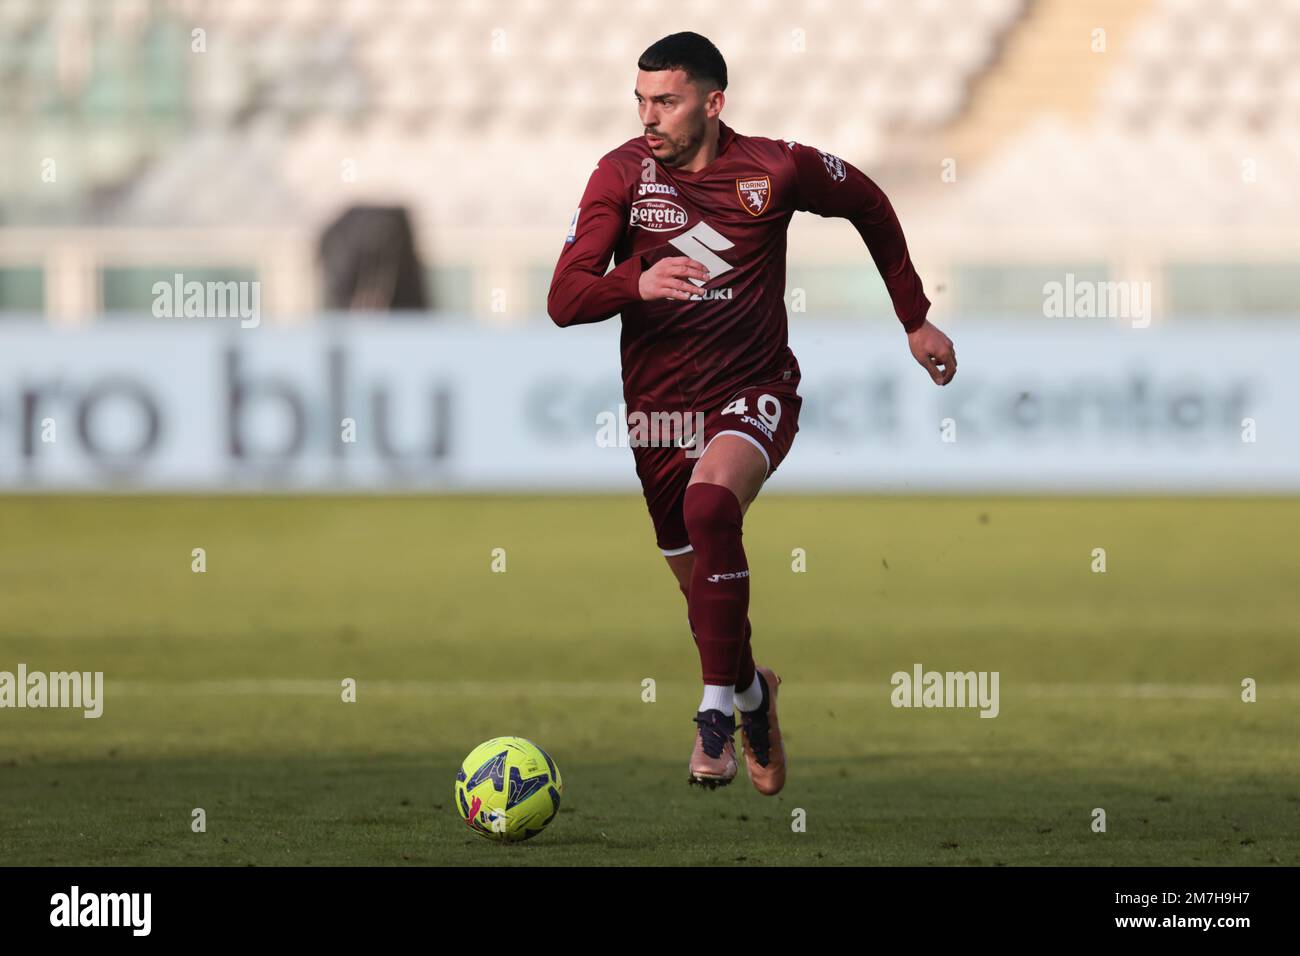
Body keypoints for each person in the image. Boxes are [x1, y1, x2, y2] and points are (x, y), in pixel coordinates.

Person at [548, 32, 957, 794]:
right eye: (639, 100)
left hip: (755, 387)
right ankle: (750, 692)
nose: (649, 117)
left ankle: (713, 719)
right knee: (702, 594)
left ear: (713, 102)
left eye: (665, 101)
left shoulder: (774, 168)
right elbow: (563, 299)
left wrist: (914, 317)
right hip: (658, 414)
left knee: (711, 508)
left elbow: (867, 199)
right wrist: (633, 283)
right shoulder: (620, 177)